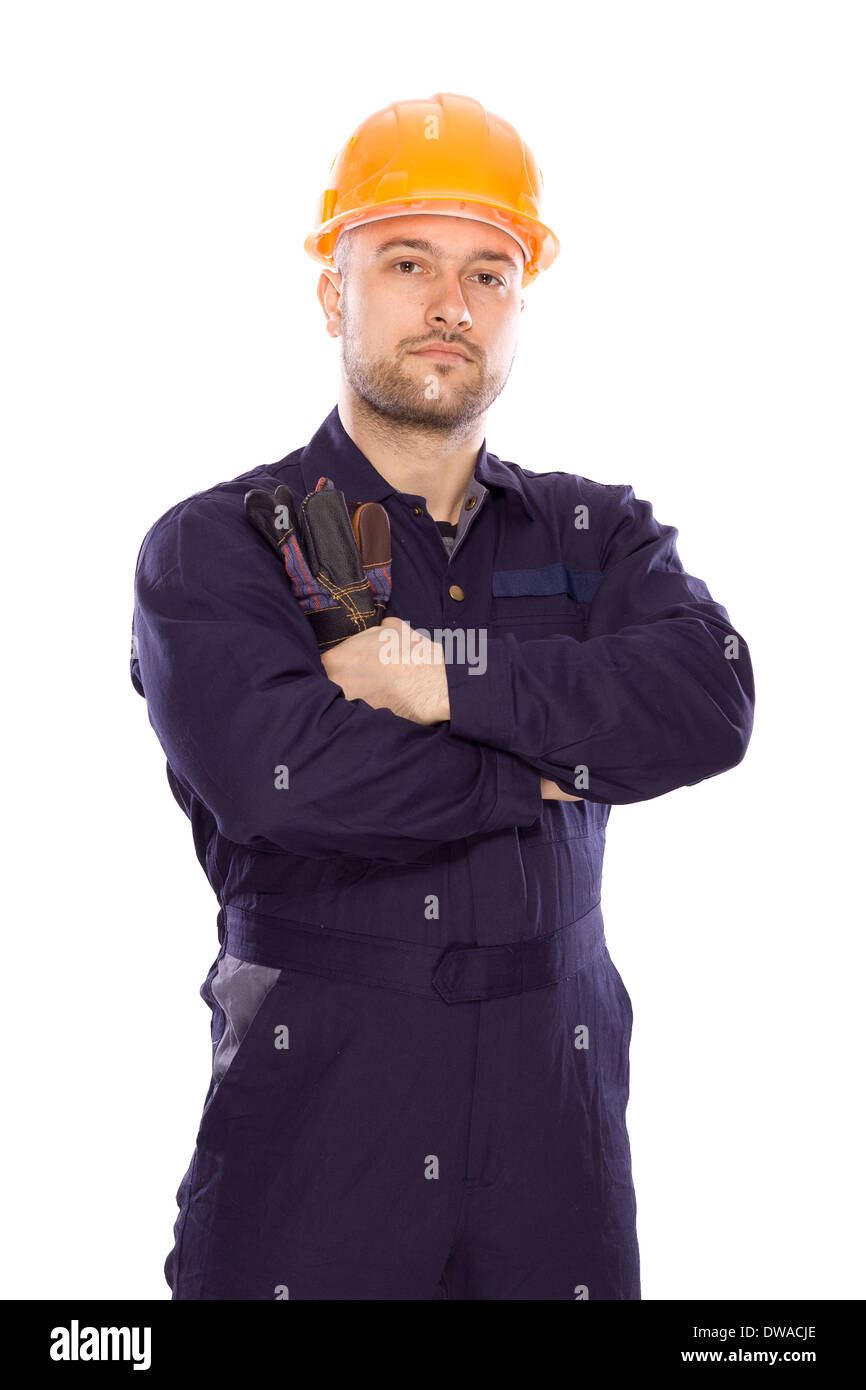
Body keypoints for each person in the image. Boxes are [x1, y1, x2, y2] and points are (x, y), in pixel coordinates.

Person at [130, 92, 755, 1301]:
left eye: (490, 272)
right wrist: (559, 751)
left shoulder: (596, 531)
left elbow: (707, 704)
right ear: (332, 292)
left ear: (519, 306)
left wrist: (435, 673)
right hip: (313, 1133)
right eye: (406, 261)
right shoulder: (231, 543)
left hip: (557, 1147)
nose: (449, 305)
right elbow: (290, 782)